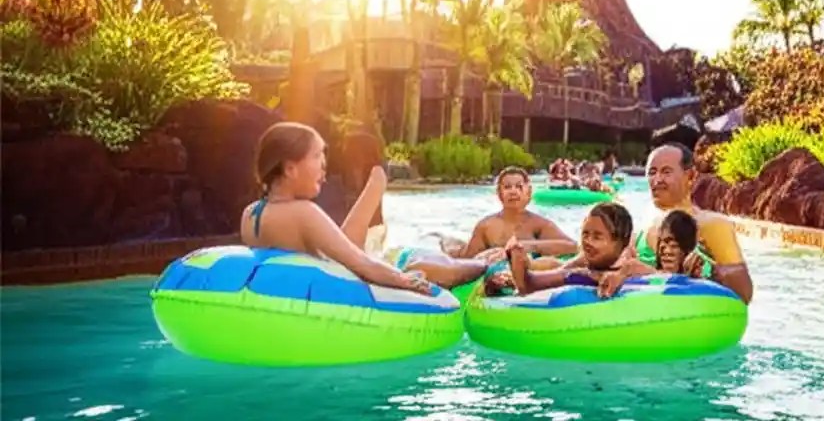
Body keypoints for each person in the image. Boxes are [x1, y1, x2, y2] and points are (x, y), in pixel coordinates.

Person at [241, 122, 488, 292]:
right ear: (289, 168)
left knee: (370, 247)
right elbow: (362, 266)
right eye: (317, 156)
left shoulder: (251, 214)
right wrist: (404, 281)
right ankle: (486, 261)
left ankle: (376, 188)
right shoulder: (303, 212)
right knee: (447, 269)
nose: (324, 166)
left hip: (331, 267)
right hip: (351, 273)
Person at [633, 143, 754, 303]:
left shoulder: (711, 225)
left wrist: (709, 273)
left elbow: (744, 294)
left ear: (690, 176)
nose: (657, 180)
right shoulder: (643, 227)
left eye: (666, 172)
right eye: (652, 173)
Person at [502, 202, 645, 298]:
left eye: (597, 237)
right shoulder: (581, 269)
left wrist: (621, 274)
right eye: (585, 234)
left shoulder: (630, 266)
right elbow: (533, 283)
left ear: (621, 242)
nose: (588, 242)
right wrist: (516, 264)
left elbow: (651, 272)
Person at [450, 166, 578, 264]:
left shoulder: (538, 224)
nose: (513, 192)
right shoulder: (486, 226)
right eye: (507, 187)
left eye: (519, 187)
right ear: (499, 194)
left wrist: (529, 246)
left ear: (529, 192)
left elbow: (573, 246)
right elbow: (468, 260)